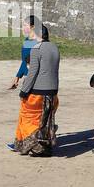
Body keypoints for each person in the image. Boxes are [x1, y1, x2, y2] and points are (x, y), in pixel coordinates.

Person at [13, 23, 60, 156]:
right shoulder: (55, 48)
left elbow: (32, 73)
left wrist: (24, 91)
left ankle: (34, 146)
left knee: (29, 119)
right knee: (46, 121)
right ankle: (46, 146)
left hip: (38, 93)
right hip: (53, 92)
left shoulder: (36, 49)